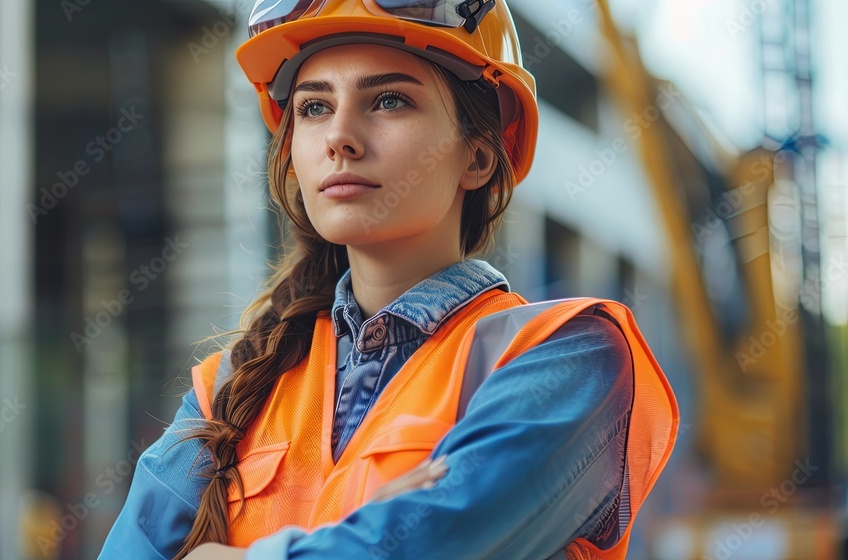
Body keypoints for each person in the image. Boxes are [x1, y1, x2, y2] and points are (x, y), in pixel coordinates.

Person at [99, 1, 679, 558]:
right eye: (314, 108)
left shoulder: (569, 357)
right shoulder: (230, 385)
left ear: (478, 156)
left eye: (390, 101)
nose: (340, 137)